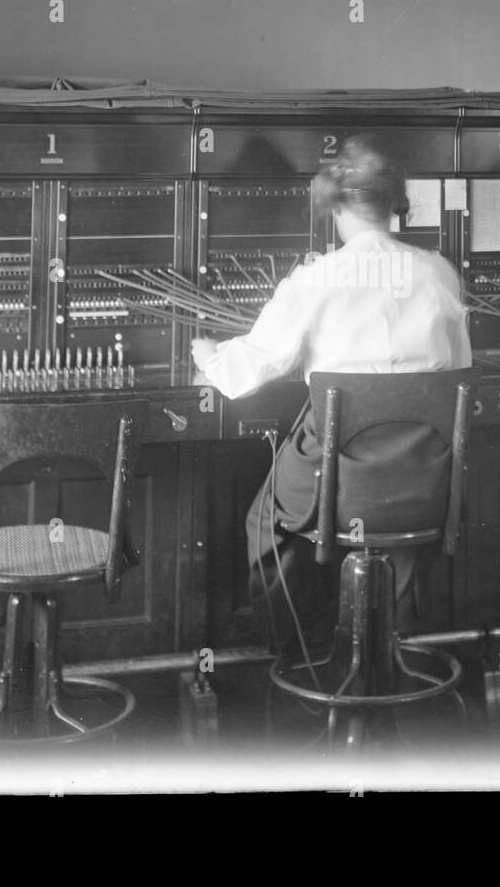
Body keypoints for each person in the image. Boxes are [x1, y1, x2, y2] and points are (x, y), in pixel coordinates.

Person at [192, 136, 472, 649]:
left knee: (263, 520)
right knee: (398, 529)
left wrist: (208, 355)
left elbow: (243, 374)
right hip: (424, 484)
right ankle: (393, 649)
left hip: (338, 486)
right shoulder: (438, 272)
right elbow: (459, 370)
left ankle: (297, 650)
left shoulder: (316, 279)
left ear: (338, 206)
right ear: (394, 205)